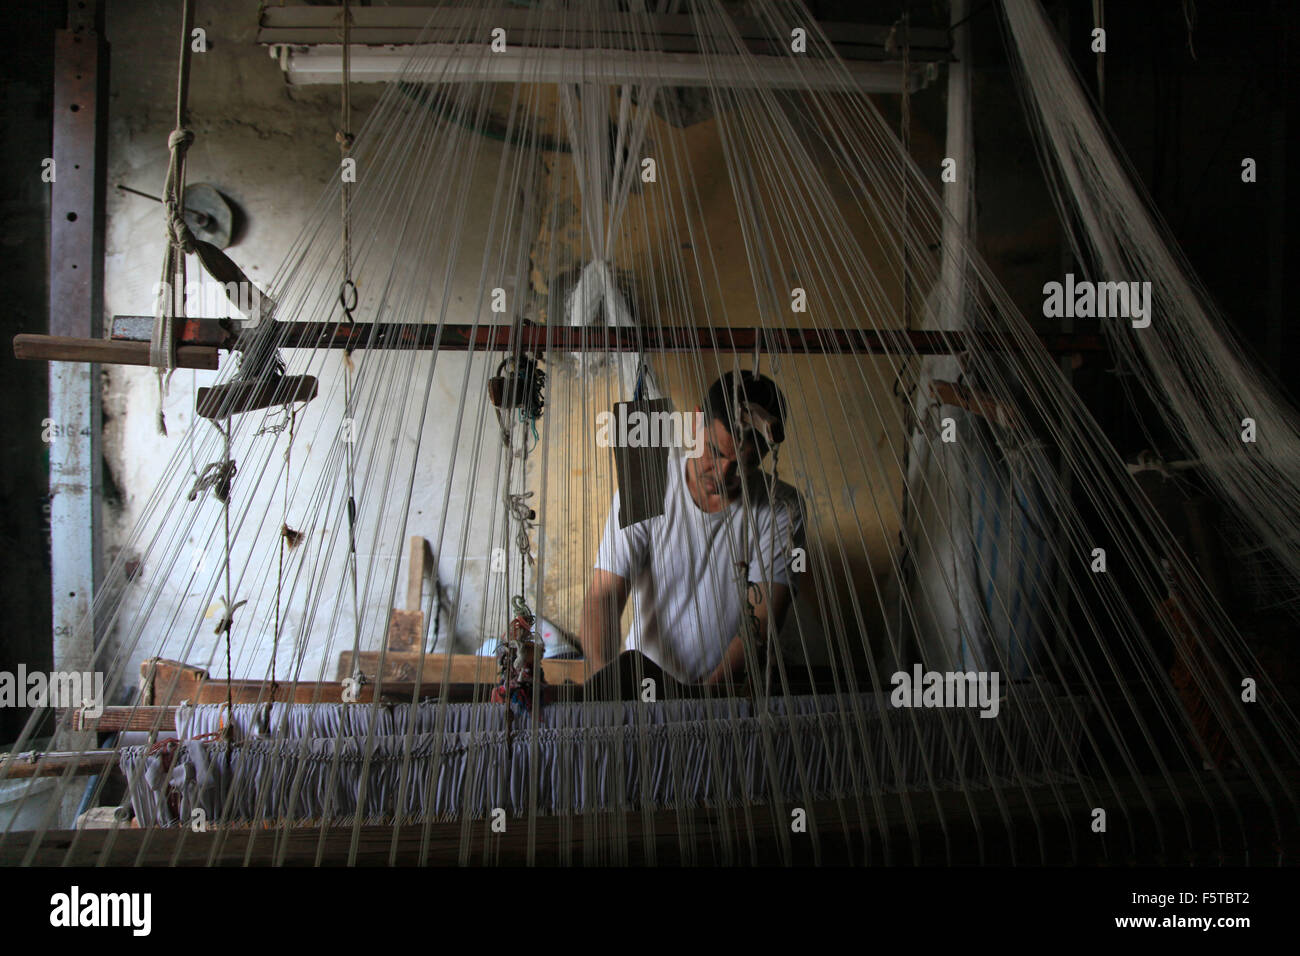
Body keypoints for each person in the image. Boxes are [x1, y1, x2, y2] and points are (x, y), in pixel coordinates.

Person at [579, 371, 805, 686]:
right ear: (697, 420)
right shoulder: (647, 486)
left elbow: (764, 618)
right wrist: (604, 681)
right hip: (644, 687)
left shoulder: (783, 507)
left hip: (728, 691)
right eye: (715, 452)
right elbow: (604, 593)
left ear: (766, 454)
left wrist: (707, 697)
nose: (723, 474)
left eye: (743, 464)